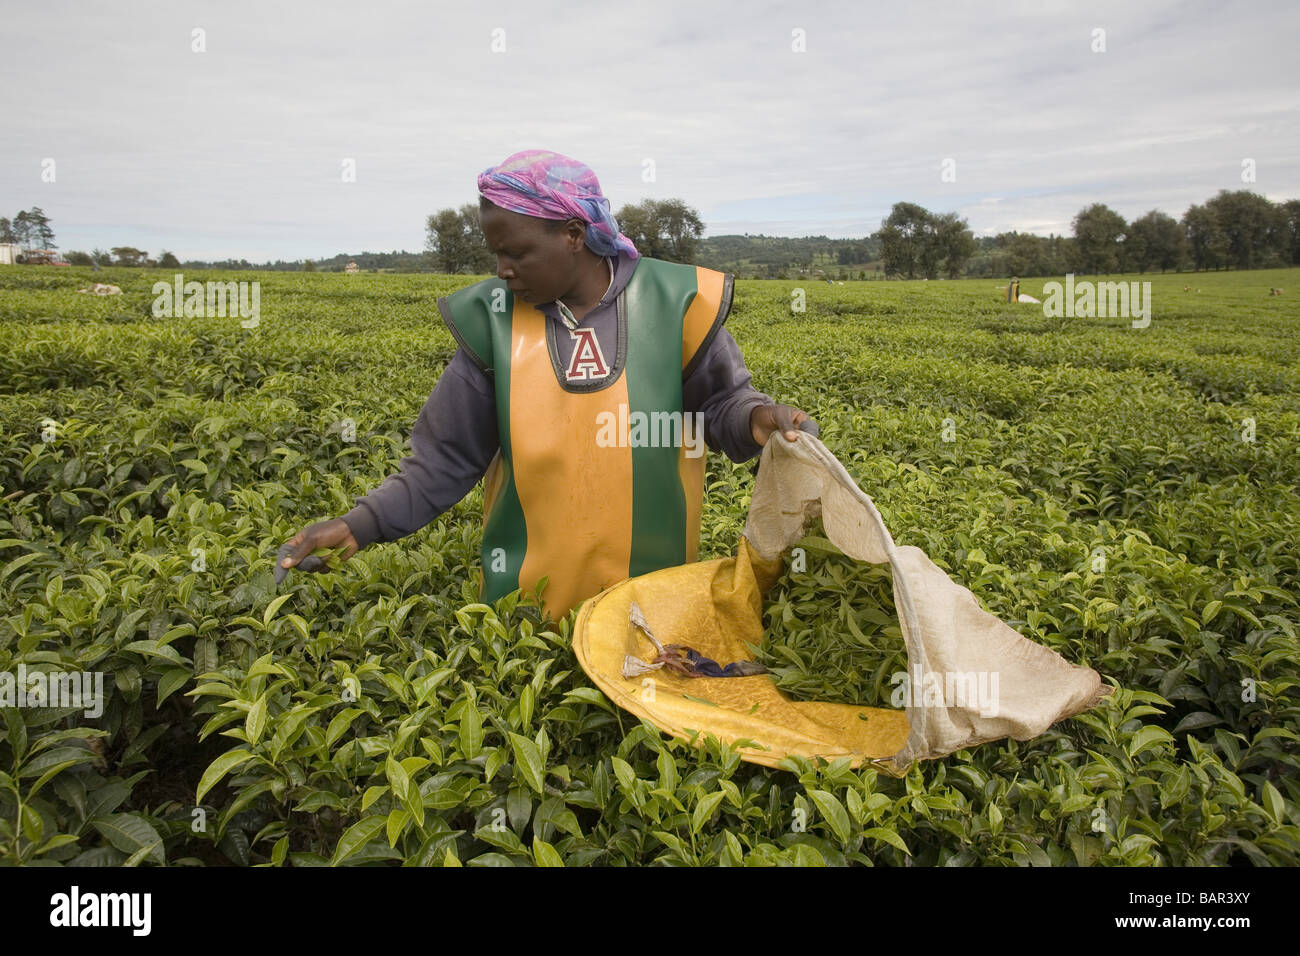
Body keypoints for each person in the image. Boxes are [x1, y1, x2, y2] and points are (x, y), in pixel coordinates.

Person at [278, 149, 813, 620]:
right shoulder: (493, 323)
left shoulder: (674, 305)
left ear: (573, 236)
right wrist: (360, 524)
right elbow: (443, 459)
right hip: (525, 616)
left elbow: (720, 407)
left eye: (516, 252)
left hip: (654, 612)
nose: (502, 270)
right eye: (495, 253)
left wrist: (757, 417)